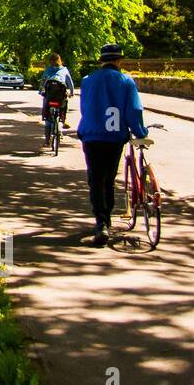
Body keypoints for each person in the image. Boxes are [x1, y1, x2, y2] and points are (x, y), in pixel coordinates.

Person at [76, 43, 149, 246]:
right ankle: (106, 219)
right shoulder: (126, 81)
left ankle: (101, 222)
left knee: (95, 178)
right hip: (114, 137)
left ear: (102, 61)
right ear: (119, 61)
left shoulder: (88, 81)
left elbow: (85, 108)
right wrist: (140, 132)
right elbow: (134, 111)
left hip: (91, 135)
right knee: (109, 178)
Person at [38, 52, 75, 128]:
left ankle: (45, 118)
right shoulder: (64, 70)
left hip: (49, 94)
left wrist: (40, 91)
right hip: (60, 94)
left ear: (50, 61)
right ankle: (64, 119)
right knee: (65, 102)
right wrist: (71, 92)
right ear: (59, 60)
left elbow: (43, 81)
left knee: (45, 101)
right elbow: (70, 83)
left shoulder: (48, 70)